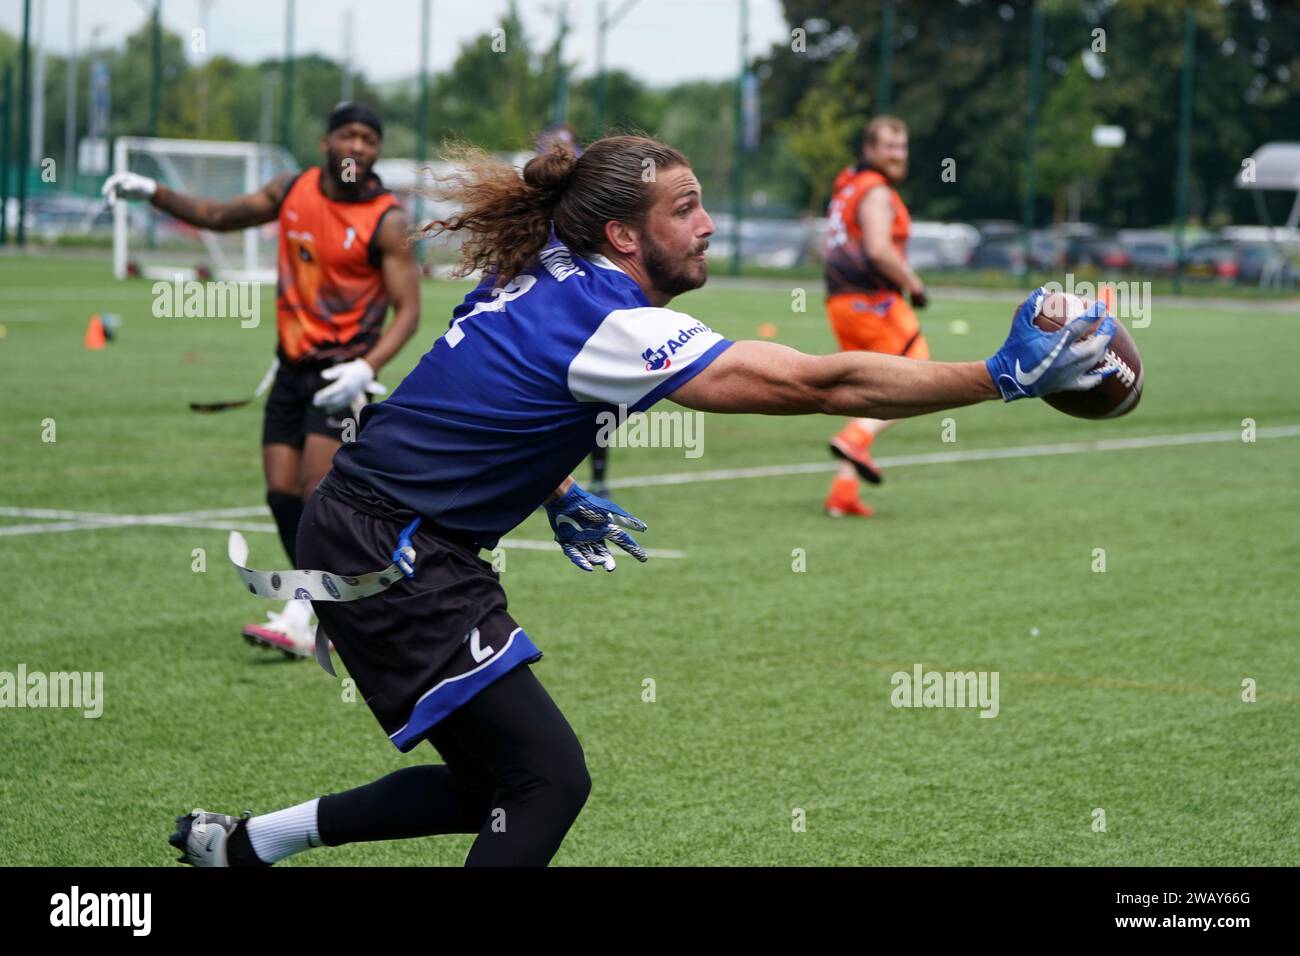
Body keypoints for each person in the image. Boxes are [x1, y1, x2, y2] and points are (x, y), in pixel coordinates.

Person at [168, 134, 1115, 867]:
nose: (706, 224)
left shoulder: (536, 268)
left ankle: (250, 845)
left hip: (382, 526)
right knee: (545, 783)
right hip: (398, 548)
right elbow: (814, 385)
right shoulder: (617, 321)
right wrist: (997, 377)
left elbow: (485, 400)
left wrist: (557, 487)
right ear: (624, 235)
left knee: (495, 783)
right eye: (686, 208)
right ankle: (253, 847)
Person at [103, 103, 421, 657]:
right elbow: (220, 215)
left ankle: (306, 614)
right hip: (290, 370)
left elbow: (409, 311)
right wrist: (152, 191)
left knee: (315, 495)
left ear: (377, 151)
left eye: (370, 139)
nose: (359, 147)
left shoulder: (386, 219)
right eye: (348, 134)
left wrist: (366, 369)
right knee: (280, 495)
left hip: (340, 378)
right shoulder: (291, 190)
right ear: (326, 142)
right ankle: (327, 602)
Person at [821, 115, 929, 517]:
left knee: (867, 388)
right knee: (918, 377)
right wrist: (915, 284)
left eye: (902, 147)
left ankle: (843, 492)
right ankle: (854, 437)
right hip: (873, 300)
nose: (898, 154)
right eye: (889, 146)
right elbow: (880, 250)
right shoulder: (876, 191)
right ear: (870, 149)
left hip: (840, 303)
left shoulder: (847, 184)